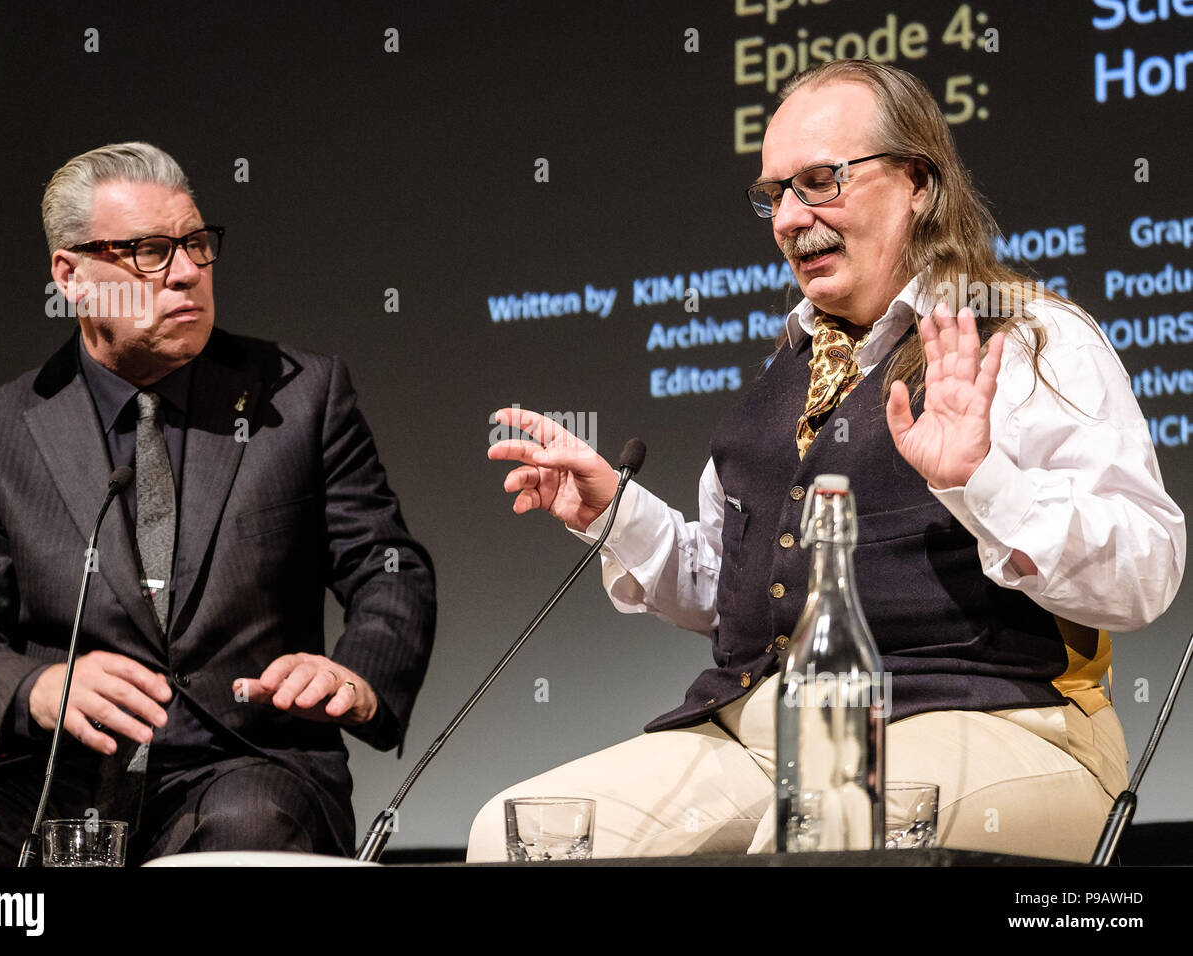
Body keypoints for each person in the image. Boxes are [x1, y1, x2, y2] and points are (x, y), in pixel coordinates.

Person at [468, 60, 1185, 863]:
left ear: (917, 181)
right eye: (775, 193)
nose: (788, 218)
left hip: (1001, 724)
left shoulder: (1030, 343)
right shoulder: (788, 372)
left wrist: (978, 483)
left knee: (821, 828)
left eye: (820, 181)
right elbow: (734, 596)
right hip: (760, 734)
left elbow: (1146, 574)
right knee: (512, 834)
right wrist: (615, 513)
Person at [0, 142, 436, 865]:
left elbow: (389, 568)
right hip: (53, 777)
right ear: (71, 277)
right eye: (150, 253)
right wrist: (40, 688)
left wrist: (353, 673)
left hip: (243, 764)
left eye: (197, 244)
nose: (189, 272)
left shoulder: (300, 397)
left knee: (250, 828)